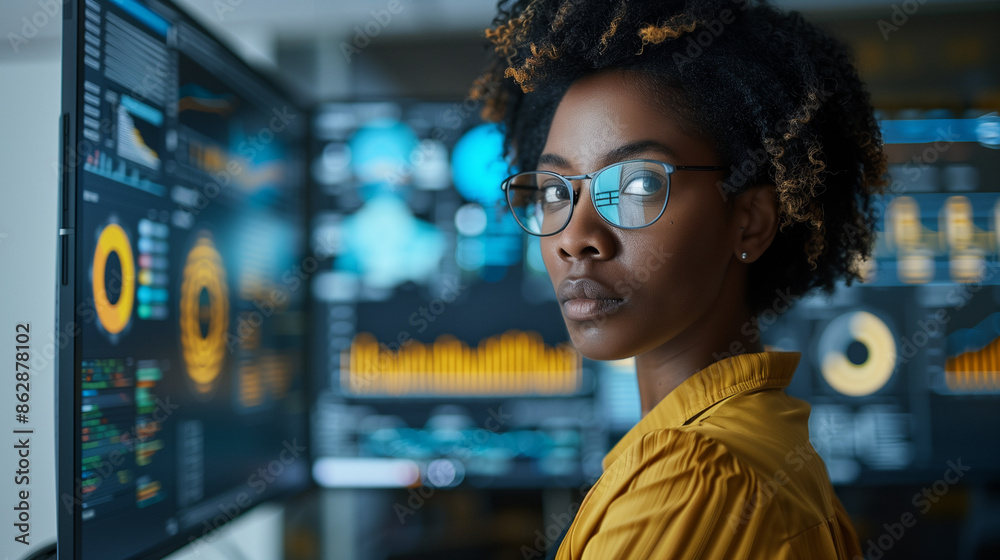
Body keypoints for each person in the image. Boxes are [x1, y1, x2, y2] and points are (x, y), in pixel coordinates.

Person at [469, 0, 888, 558]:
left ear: (750, 221)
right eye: (553, 191)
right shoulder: (756, 447)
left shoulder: (699, 480)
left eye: (639, 185)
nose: (574, 236)